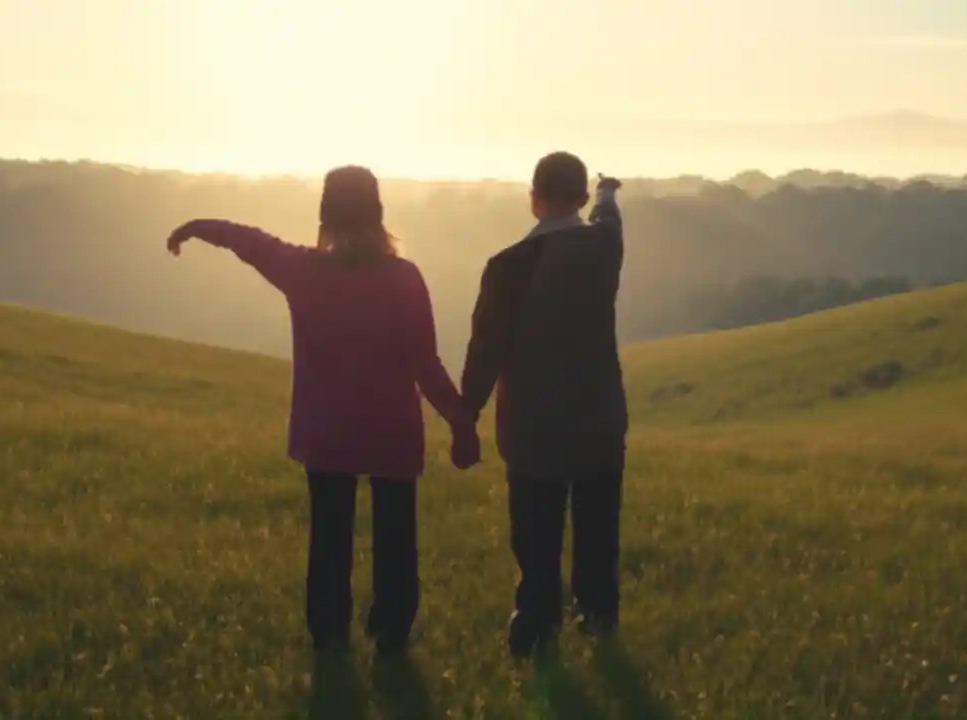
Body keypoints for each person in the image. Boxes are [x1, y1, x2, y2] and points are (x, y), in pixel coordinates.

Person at [165, 166, 481, 656]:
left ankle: (330, 633)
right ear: (378, 215)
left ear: (325, 216)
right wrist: (461, 423)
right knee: (396, 535)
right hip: (392, 432)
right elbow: (426, 363)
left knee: (329, 537)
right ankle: (392, 631)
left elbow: (248, 240)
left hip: (326, 433)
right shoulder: (404, 278)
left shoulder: (302, 270)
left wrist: (194, 228)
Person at [459, 152, 627, 657]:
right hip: (599, 417)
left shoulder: (507, 266)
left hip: (532, 424)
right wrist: (608, 191)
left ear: (533, 198)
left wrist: (466, 414)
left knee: (535, 534)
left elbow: (485, 349)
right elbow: (608, 217)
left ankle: (535, 622)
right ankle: (598, 616)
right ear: (580, 197)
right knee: (598, 529)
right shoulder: (605, 247)